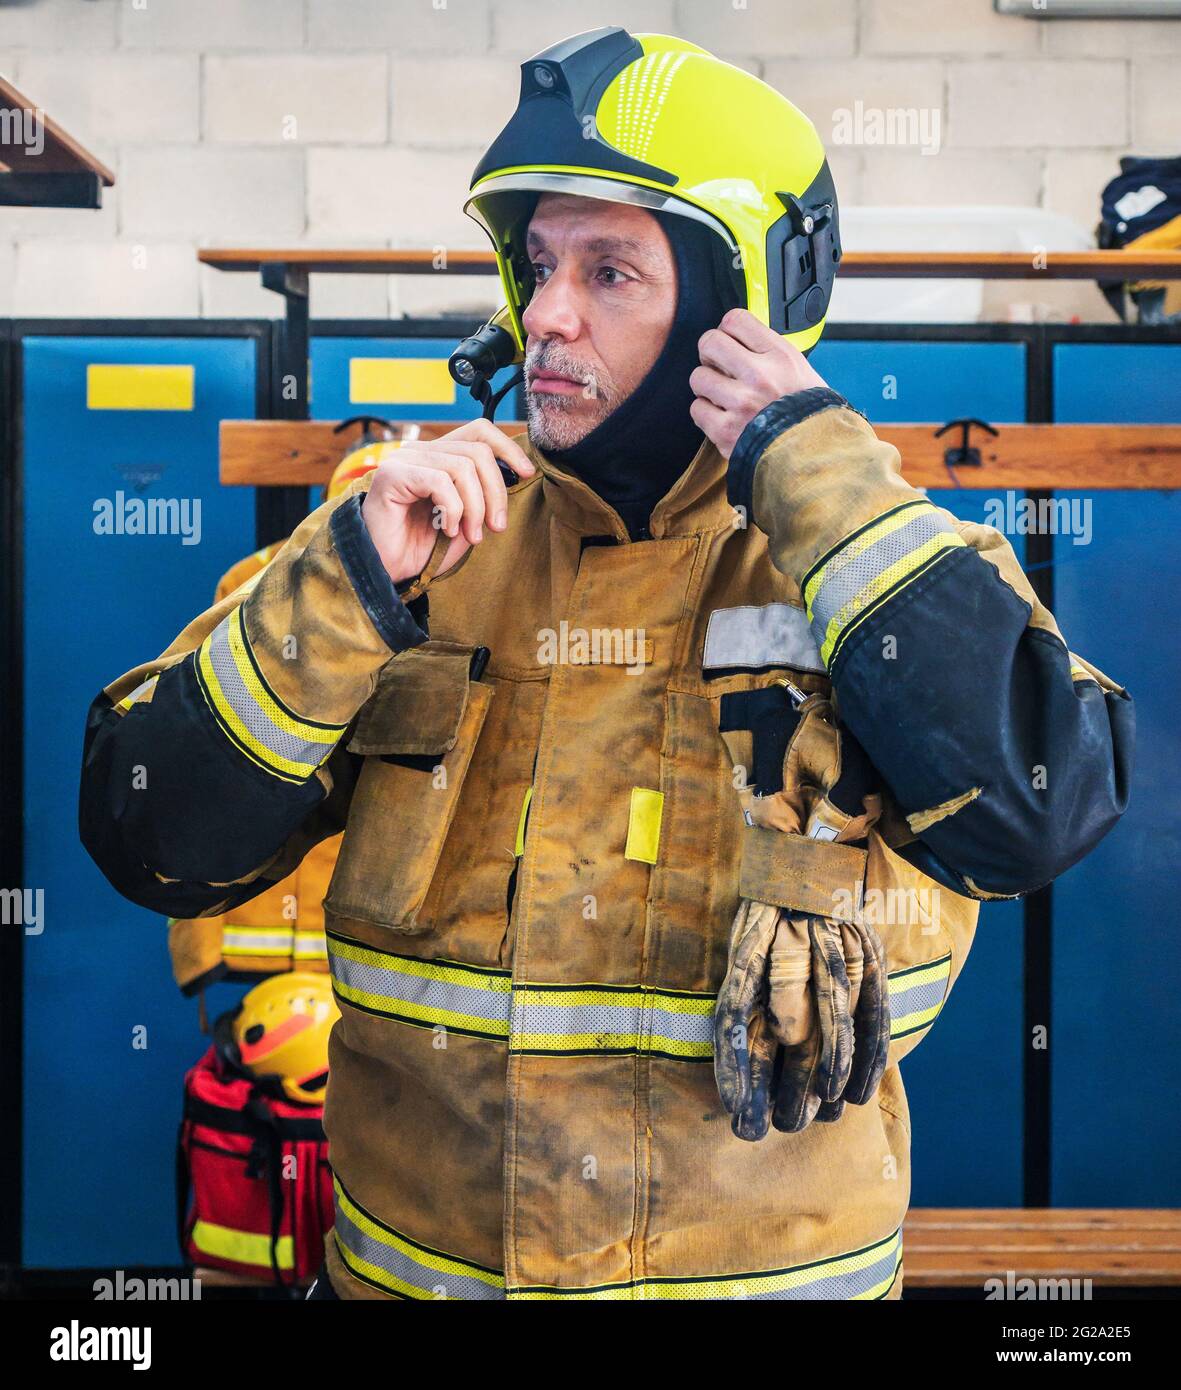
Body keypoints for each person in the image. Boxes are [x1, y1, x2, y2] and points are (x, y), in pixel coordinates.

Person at [80, 30, 1132, 1301]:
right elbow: (150, 836)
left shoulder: (882, 564)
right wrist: (350, 584)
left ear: (734, 307)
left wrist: (812, 473)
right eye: (536, 265)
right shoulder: (411, 542)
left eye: (610, 271)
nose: (548, 315)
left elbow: (1039, 806)